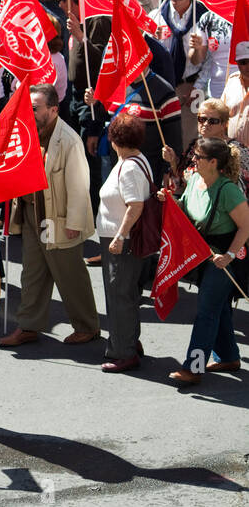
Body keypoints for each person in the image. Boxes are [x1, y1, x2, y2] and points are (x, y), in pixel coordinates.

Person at [0, 84, 99, 349]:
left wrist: (74, 224)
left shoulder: (69, 140)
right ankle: (28, 326)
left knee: (70, 276)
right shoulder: (29, 132)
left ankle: (87, 327)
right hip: (33, 216)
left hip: (59, 219)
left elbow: (79, 186)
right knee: (32, 274)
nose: (29, 113)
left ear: (53, 110)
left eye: (35, 108)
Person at [165, 138, 249, 385]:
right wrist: (169, 201)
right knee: (218, 307)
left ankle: (194, 367)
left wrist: (230, 255)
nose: (193, 160)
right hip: (204, 256)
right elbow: (186, 210)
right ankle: (229, 357)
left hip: (224, 259)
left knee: (206, 310)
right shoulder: (194, 182)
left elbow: (246, 226)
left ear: (213, 163)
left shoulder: (228, 190)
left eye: (198, 157)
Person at [96, 113, 151, 374]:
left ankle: (123, 352)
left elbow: (135, 205)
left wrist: (119, 236)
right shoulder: (138, 160)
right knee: (127, 295)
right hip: (126, 240)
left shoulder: (128, 167)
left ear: (114, 140)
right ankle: (130, 342)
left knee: (119, 297)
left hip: (123, 241)